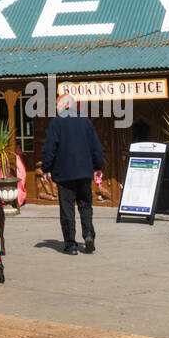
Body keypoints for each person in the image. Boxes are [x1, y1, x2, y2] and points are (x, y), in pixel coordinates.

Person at [41, 93, 104, 254]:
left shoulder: (57, 122)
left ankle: (71, 244)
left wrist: (46, 169)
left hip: (64, 173)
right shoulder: (85, 121)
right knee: (85, 205)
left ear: (66, 105)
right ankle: (89, 234)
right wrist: (98, 167)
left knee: (67, 208)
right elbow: (96, 147)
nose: (56, 108)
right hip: (84, 172)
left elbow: (50, 148)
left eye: (57, 104)